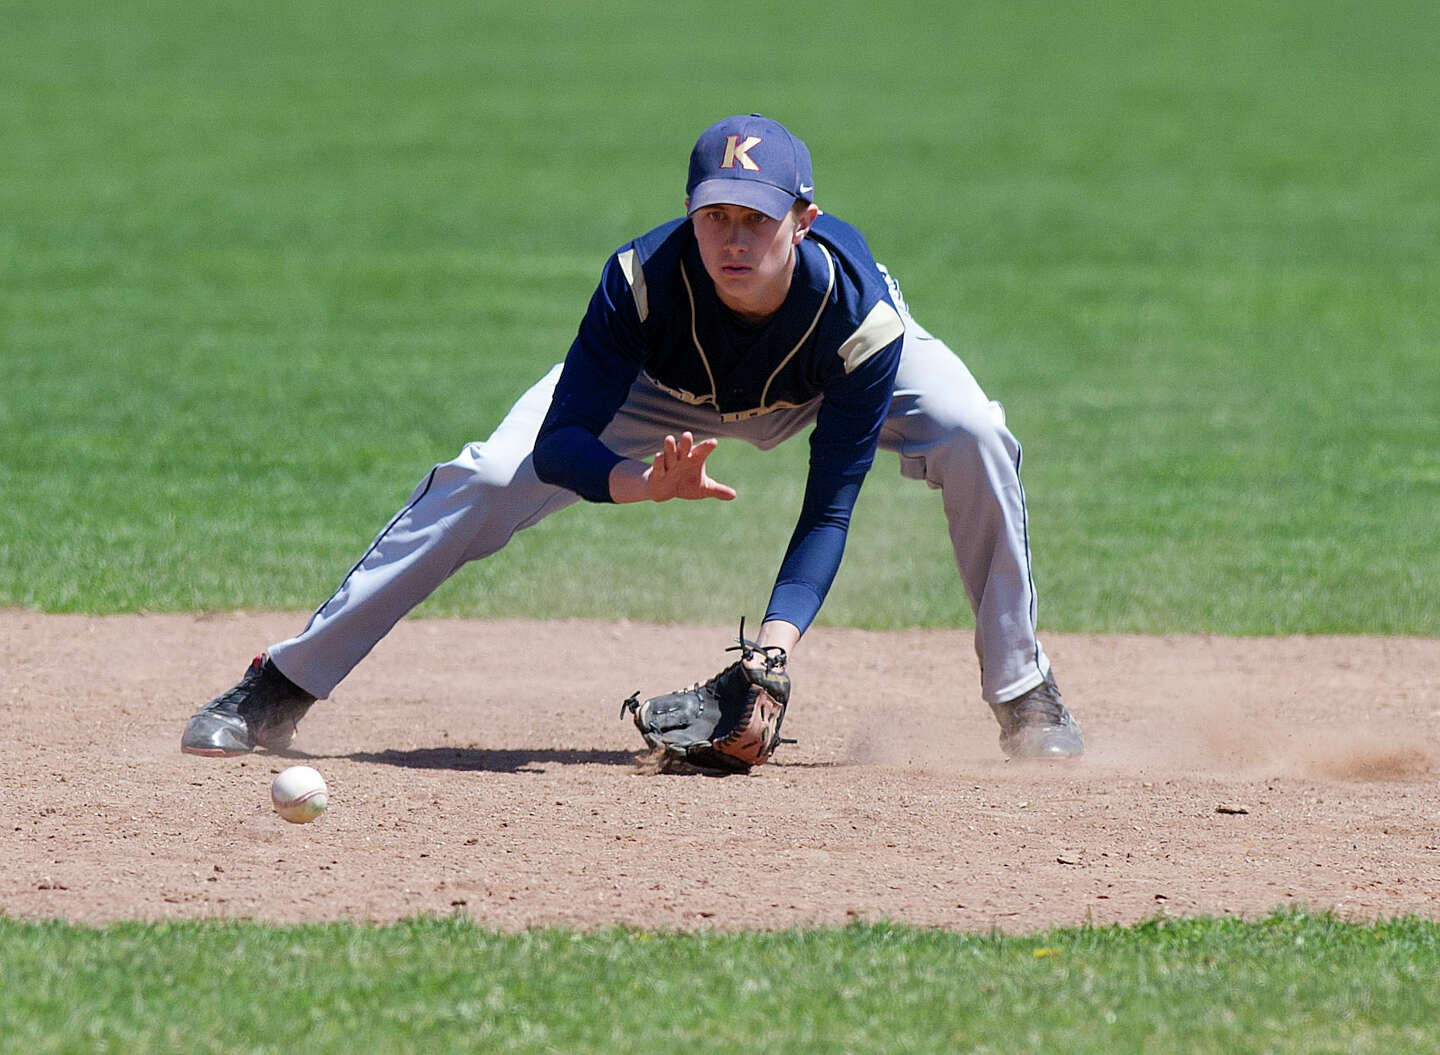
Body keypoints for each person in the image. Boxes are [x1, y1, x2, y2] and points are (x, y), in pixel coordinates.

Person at [180, 114, 1083, 763]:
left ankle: (1022, 689)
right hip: (662, 390)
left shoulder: (861, 320)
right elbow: (562, 442)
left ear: (803, 221)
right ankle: (281, 683)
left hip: (825, 376)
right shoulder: (641, 283)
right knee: (487, 476)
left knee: (973, 430)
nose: (733, 239)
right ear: (690, 212)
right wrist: (637, 482)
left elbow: (829, 506)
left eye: (757, 218)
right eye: (715, 215)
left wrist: (772, 649)